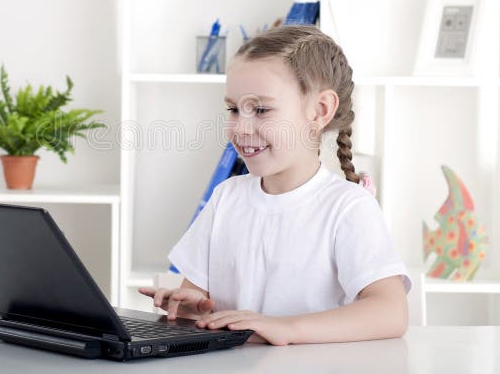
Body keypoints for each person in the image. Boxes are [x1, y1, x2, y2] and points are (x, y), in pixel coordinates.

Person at [139, 25, 411, 345]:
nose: (240, 127)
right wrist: (188, 308)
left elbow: (391, 311)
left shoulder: (348, 207)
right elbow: (194, 300)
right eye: (233, 109)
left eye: (261, 110)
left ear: (320, 110)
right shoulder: (227, 198)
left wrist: (287, 328)